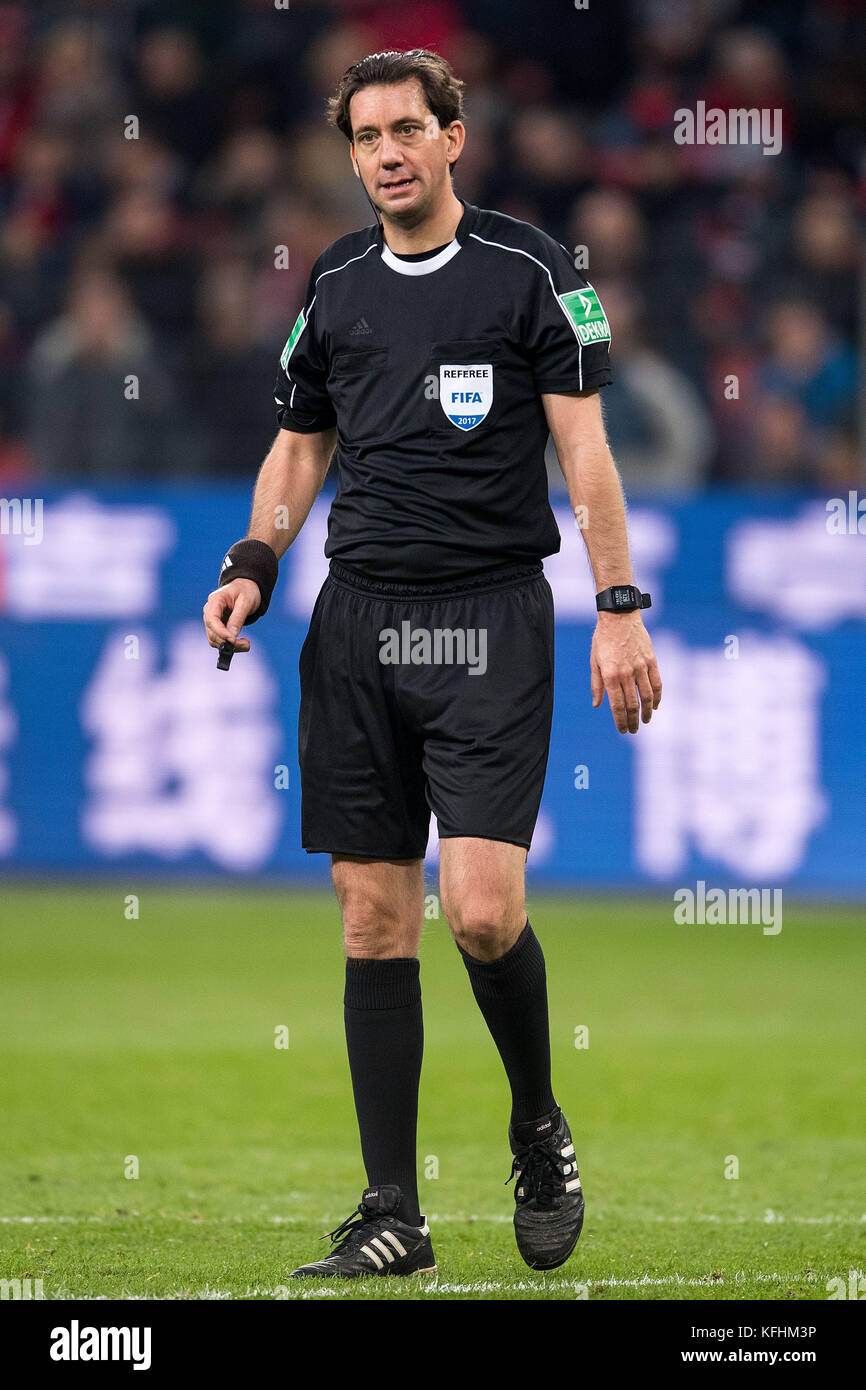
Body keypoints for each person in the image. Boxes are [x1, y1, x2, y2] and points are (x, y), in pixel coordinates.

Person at [202, 48, 662, 1279]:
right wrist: (253, 559)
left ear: (453, 137)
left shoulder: (531, 272)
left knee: (479, 912)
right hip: (356, 624)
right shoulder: (337, 280)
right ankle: (390, 1209)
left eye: (408, 129)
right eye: (365, 138)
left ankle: (534, 1121)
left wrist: (616, 605)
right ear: (349, 154)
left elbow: (586, 457)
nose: (386, 153)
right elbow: (298, 447)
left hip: (486, 625)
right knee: (369, 919)